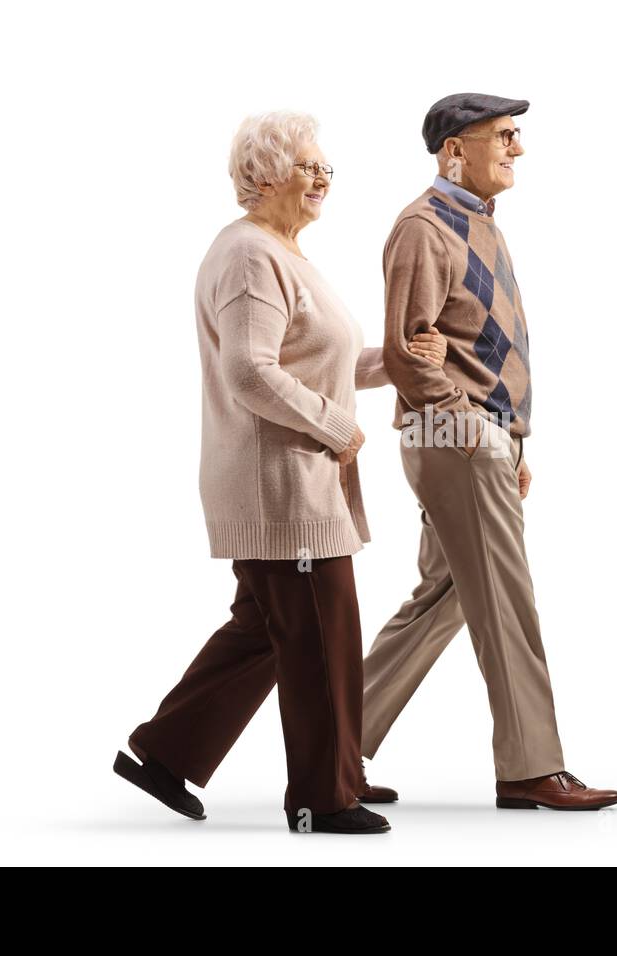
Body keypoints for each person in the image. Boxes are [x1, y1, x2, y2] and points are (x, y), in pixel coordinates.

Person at [113, 110, 447, 834]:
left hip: (295, 477)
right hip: (280, 484)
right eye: (307, 166)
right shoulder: (246, 257)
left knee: (266, 630)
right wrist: (334, 426)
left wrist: (394, 363)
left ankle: (163, 752)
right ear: (262, 178)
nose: (323, 176)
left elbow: (311, 364)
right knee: (322, 633)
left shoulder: (283, 254)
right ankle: (323, 798)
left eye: (327, 166)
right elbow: (248, 371)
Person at [360, 93, 617, 810]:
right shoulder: (423, 226)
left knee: (445, 597)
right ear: (454, 150)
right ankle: (531, 767)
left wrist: (513, 439)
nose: (518, 147)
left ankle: (335, 742)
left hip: (481, 437)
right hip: (456, 436)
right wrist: (476, 431)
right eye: (504, 135)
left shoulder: (479, 223)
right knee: (507, 601)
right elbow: (408, 349)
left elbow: (482, 346)